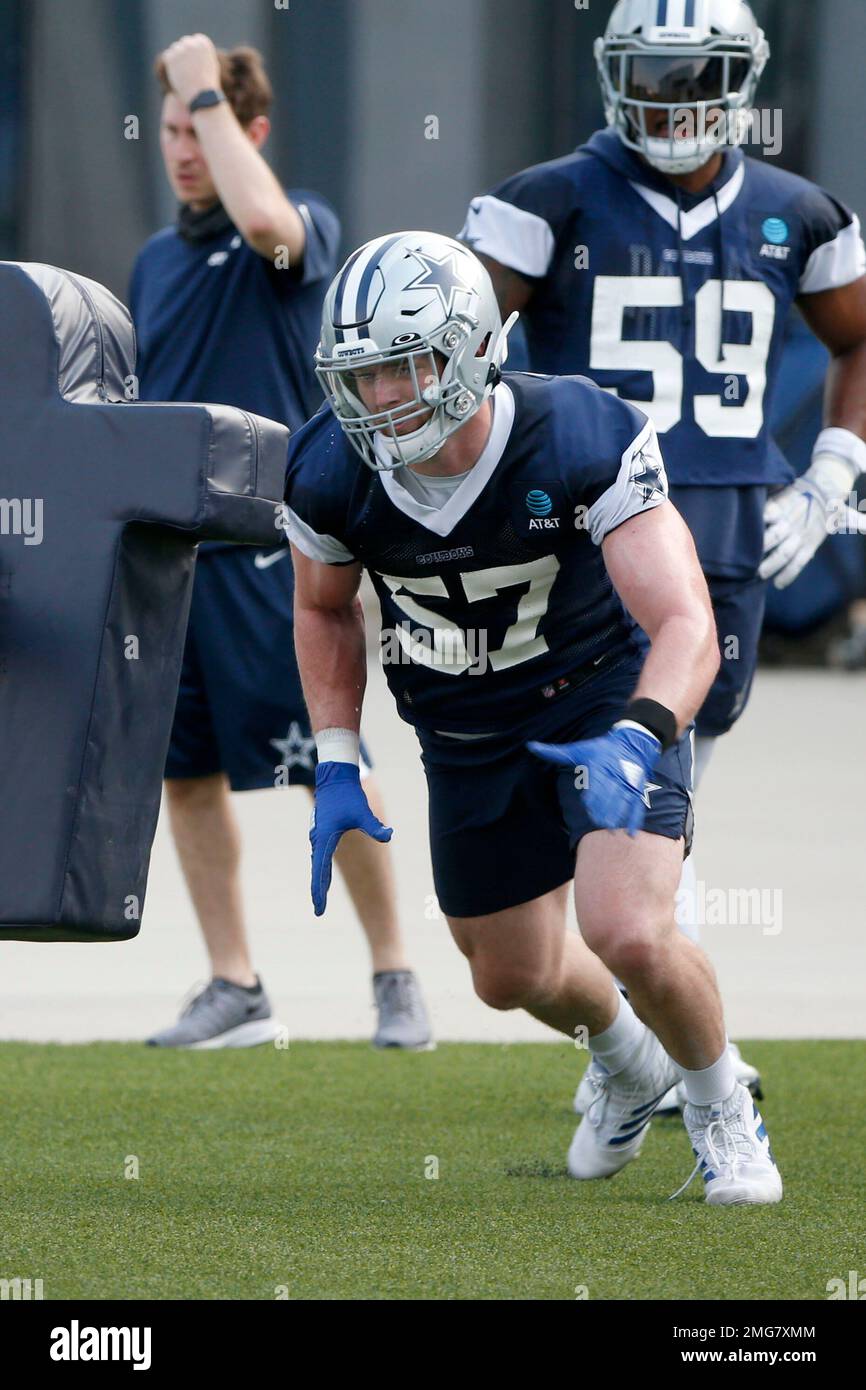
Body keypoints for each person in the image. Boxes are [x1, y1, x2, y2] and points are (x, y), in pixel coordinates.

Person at [283, 228, 782, 1204]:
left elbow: (684, 620)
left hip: (599, 699)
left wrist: (637, 734)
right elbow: (320, 604)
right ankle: (629, 1061)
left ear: (469, 348)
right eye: (362, 374)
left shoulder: (576, 436)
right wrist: (337, 755)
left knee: (625, 928)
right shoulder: (329, 470)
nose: (381, 399)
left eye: (404, 366)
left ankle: (721, 1105)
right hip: (463, 730)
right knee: (506, 976)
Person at [459, 0, 866, 1110]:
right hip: (579, 530)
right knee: (587, 796)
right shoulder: (548, 202)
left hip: (720, 531)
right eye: (654, 72)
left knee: (660, 783)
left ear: (740, 80)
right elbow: (459, 347)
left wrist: (831, 469)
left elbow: (856, 334)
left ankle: (653, 1044)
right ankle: (654, 1042)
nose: (674, 97)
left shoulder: (797, 213)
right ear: (610, 74)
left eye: (698, 75)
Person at [129, 34, 431, 1050]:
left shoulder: (294, 226)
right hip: (171, 564)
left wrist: (201, 80)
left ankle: (395, 975)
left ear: (245, 130)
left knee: (326, 756)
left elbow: (262, 218)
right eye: (169, 129)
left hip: (269, 549)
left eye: (200, 126)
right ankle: (235, 987)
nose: (182, 147)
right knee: (185, 774)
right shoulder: (156, 260)